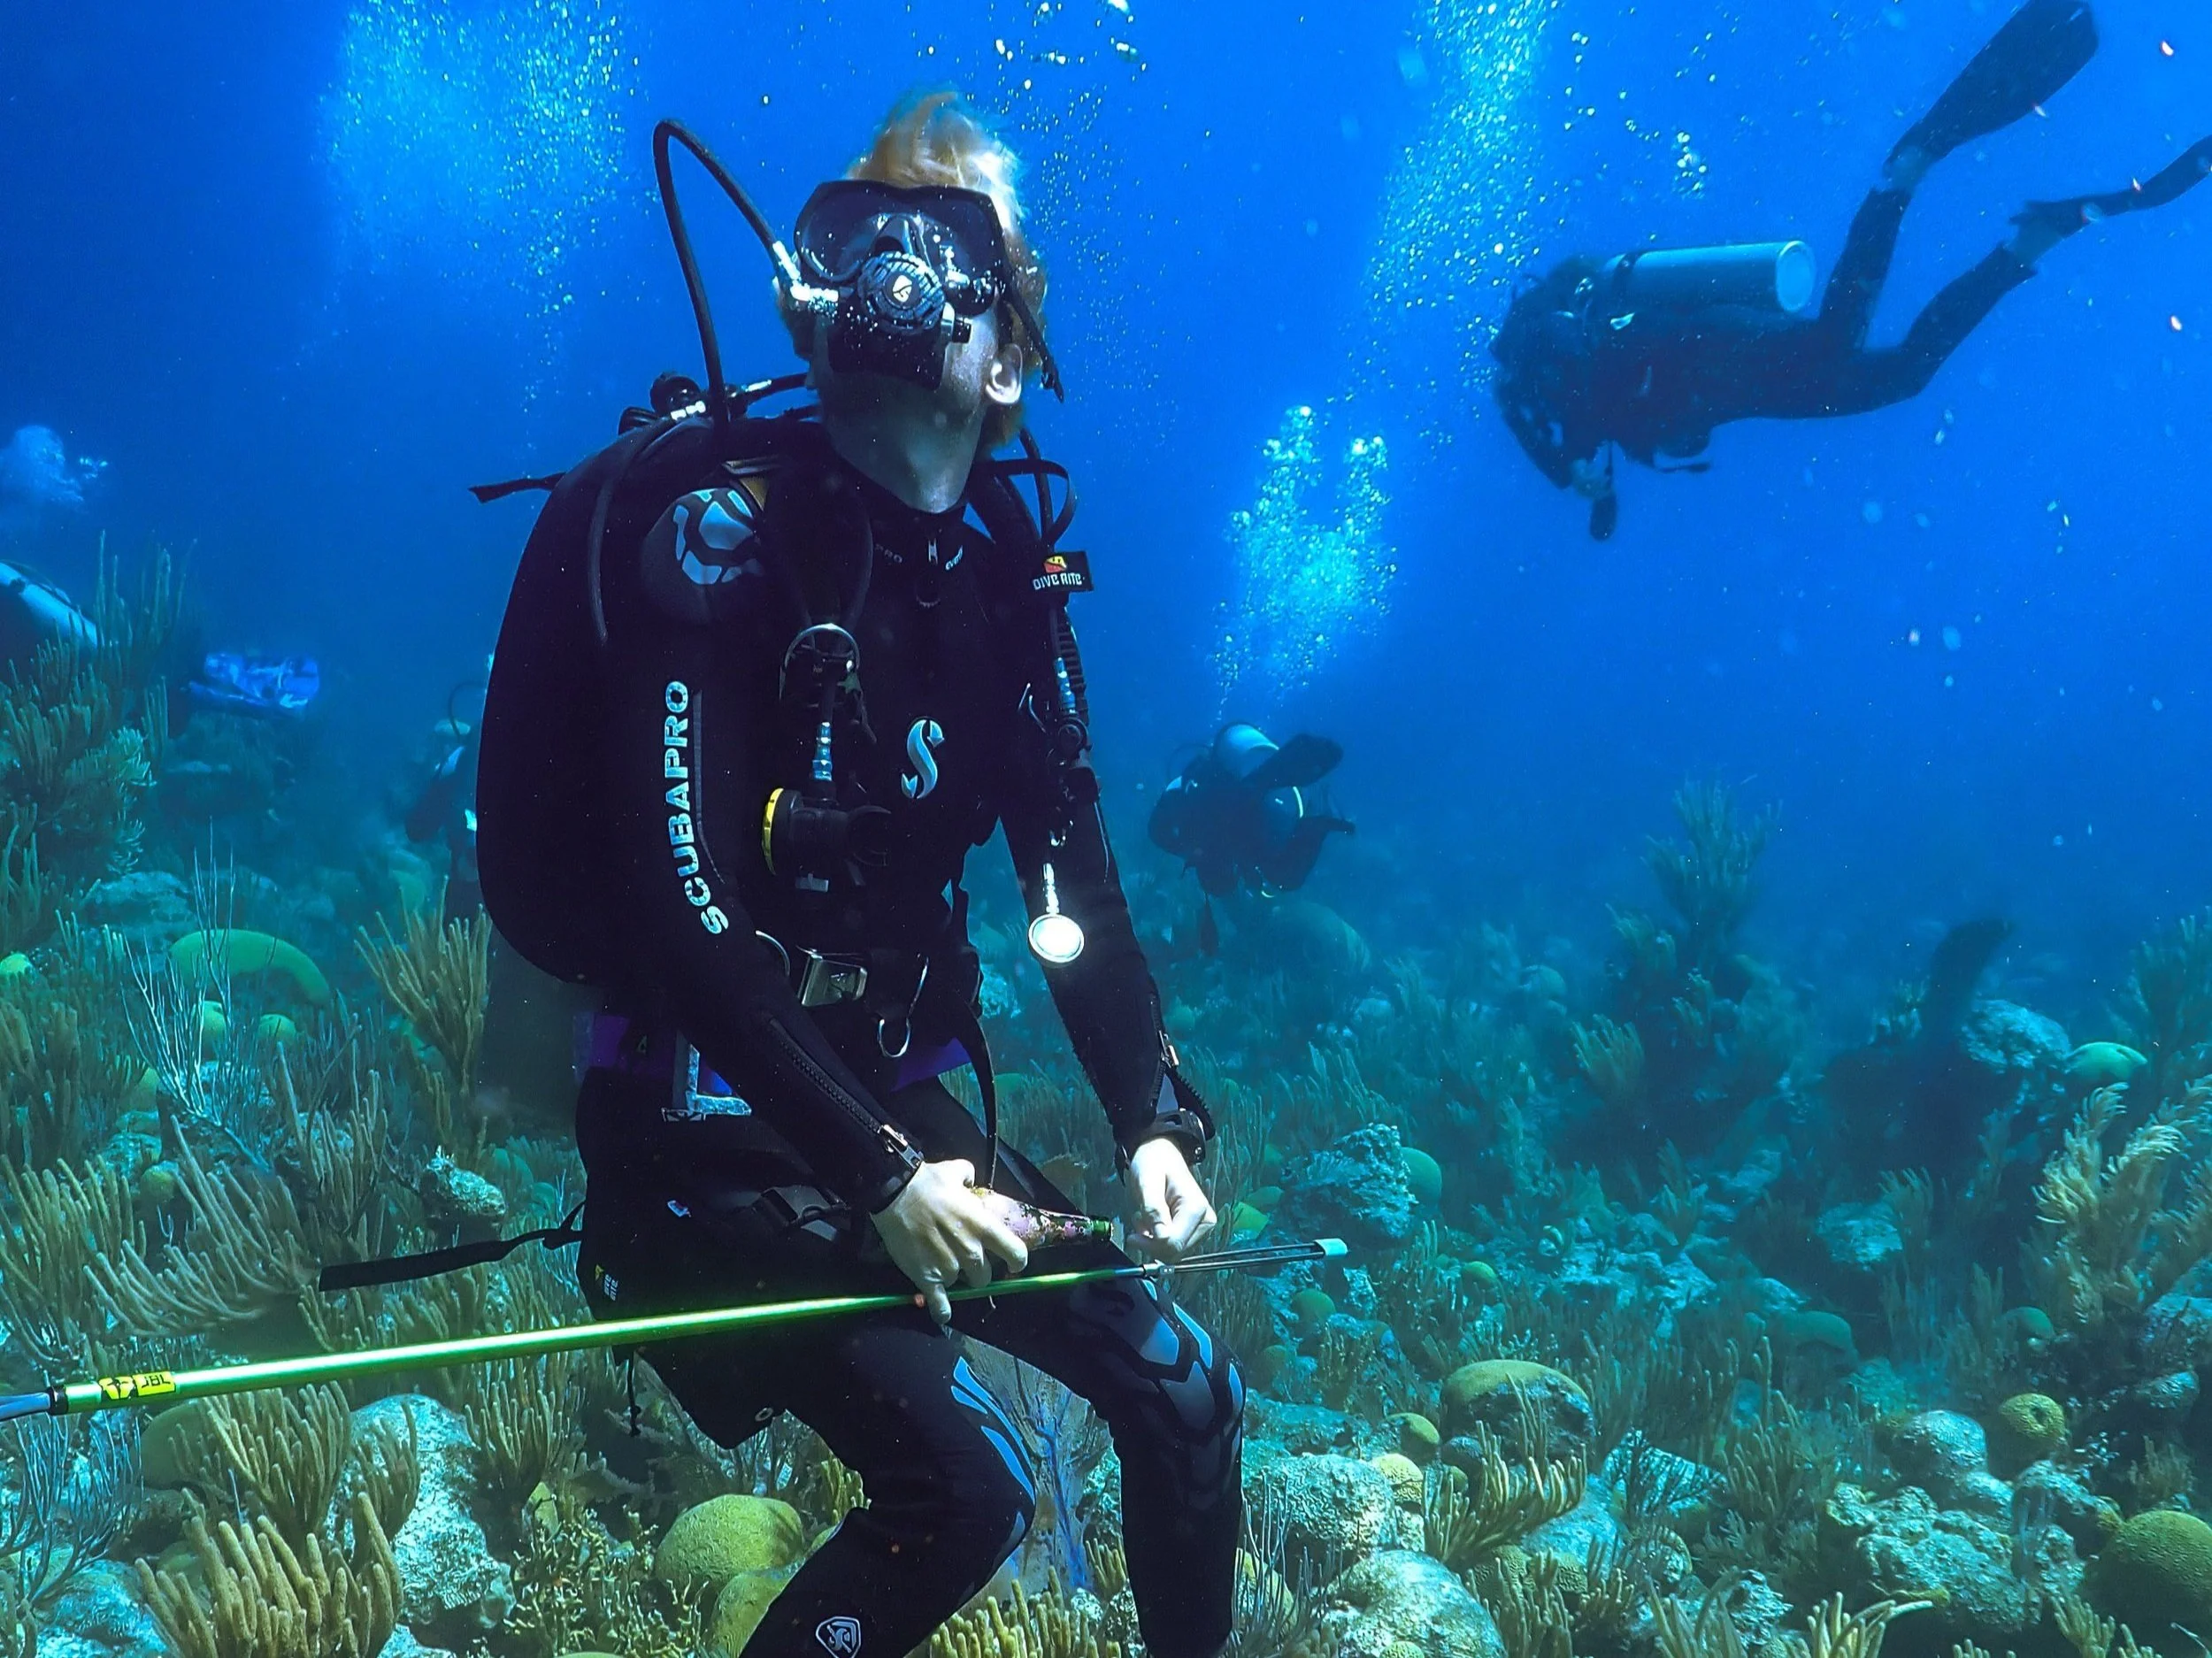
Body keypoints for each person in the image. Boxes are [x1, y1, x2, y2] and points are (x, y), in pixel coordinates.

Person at [476, 93, 1241, 1658]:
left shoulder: (1014, 586)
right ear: (800, 297)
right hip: (703, 1107)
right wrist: (885, 1179)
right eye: (853, 232)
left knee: (1183, 1386)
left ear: (1008, 352)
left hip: (887, 1087)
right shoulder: (710, 541)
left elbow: (1069, 881)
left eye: (950, 242)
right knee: (961, 1492)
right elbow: (687, 918)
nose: (897, 264)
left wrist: (1149, 1120)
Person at [1491, 0, 2212, 538]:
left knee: (1836, 340)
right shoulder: (1542, 395)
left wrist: (1573, 468)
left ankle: (1903, 174)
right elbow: (1582, 441)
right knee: (1904, 377)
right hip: (1724, 390)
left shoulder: (1542, 363)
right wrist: (1590, 484)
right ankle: (2023, 249)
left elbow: (1576, 388)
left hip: (1701, 350)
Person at [1149, 724, 1353, 900]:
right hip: (1247, 813)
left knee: (1246, 796)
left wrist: (1186, 848)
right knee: (1284, 878)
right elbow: (1157, 832)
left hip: (1224, 795)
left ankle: (1306, 810)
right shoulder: (1233, 852)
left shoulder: (1192, 821)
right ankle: (1313, 817)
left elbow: (1157, 829)